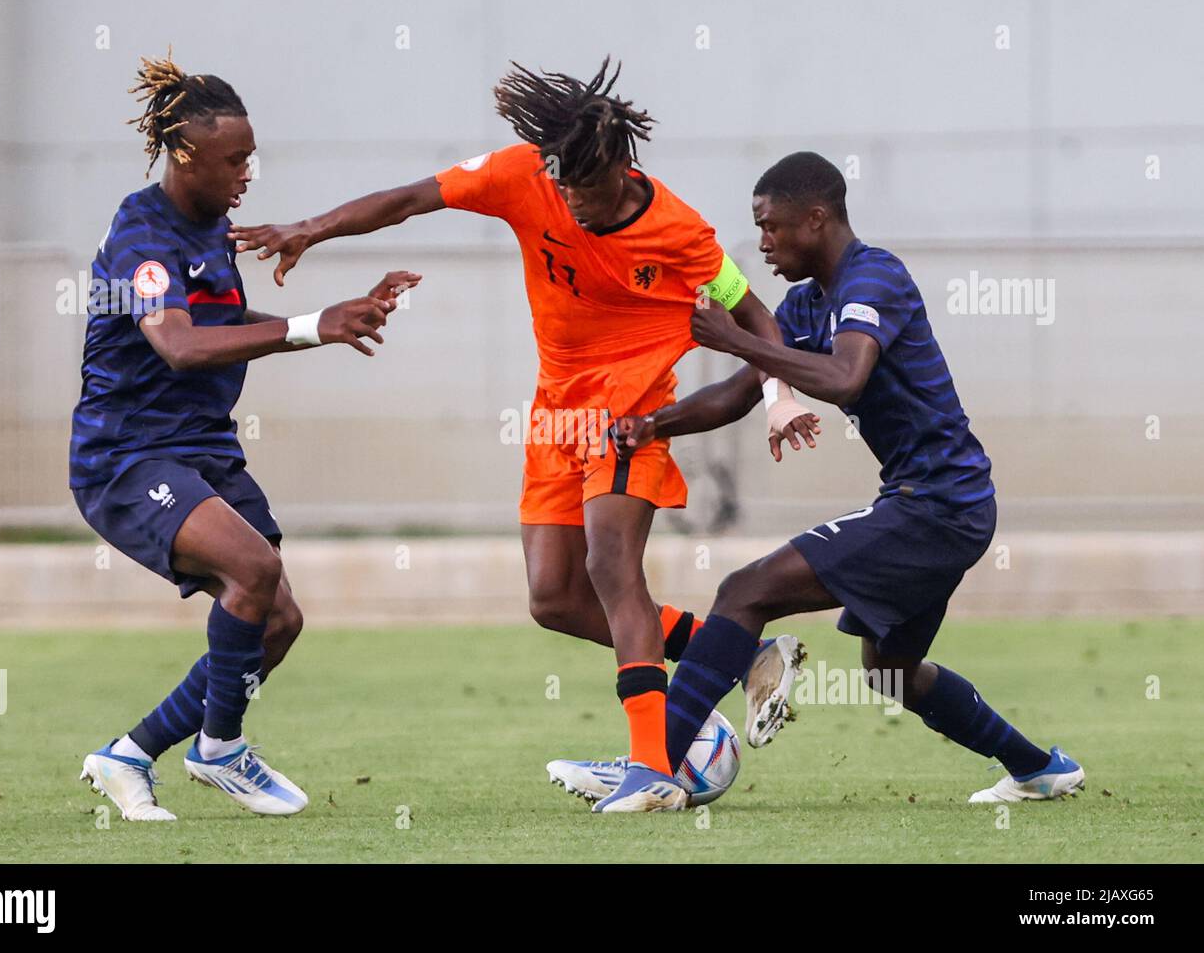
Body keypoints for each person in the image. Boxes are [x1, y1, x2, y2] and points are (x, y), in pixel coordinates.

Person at [230, 59, 819, 811]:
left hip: (629, 414)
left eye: (591, 191)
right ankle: (737, 653)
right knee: (554, 599)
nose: (575, 203)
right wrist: (313, 228)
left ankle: (651, 769)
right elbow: (412, 198)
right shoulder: (524, 177)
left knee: (612, 569)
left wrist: (778, 393)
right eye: (565, 187)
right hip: (555, 416)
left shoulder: (678, 229)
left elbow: (754, 313)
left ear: (621, 169)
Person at [597, 151, 1084, 805]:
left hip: (937, 505)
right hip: (936, 505)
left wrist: (740, 338)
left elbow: (845, 375)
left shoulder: (873, 277)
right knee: (891, 673)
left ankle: (652, 770)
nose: (763, 243)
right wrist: (654, 425)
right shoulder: (806, 305)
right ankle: (1040, 769)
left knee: (745, 591)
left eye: (771, 227)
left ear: (816, 219)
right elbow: (741, 395)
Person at [72, 51, 417, 820]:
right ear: (185, 155)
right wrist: (306, 327)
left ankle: (128, 755)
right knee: (253, 571)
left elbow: (222, 325)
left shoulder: (213, 230)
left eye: (252, 155)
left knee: (278, 619)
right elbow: (180, 345)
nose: (249, 171)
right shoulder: (142, 235)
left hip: (200, 445)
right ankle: (219, 748)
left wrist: (332, 321)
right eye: (235, 158)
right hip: (126, 455)